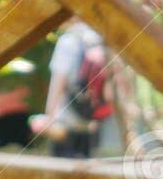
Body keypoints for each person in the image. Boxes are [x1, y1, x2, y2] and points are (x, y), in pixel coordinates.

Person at [30, 20, 120, 158]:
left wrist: (49, 118)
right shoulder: (99, 38)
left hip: (65, 127)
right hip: (93, 125)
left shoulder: (68, 41)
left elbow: (58, 82)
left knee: (63, 176)